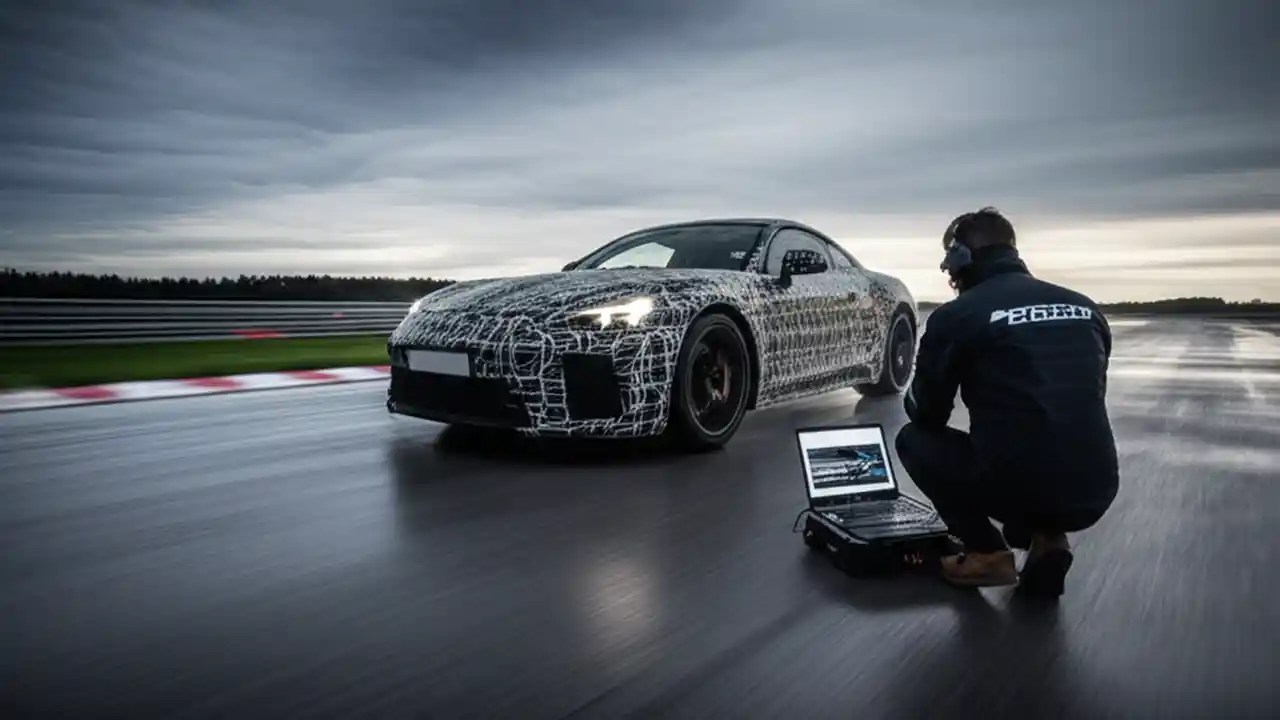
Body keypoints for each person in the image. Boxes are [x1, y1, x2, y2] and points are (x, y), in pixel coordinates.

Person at [895, 207, 1119, 597]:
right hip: (1096, 487)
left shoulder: (959, 315)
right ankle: (1048, 540)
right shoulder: (1085, 308)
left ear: (959, 259)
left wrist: (932, 366)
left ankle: (987, 554)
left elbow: (926, 413)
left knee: (913, 439)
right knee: (1044, 439)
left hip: (1016, 486)